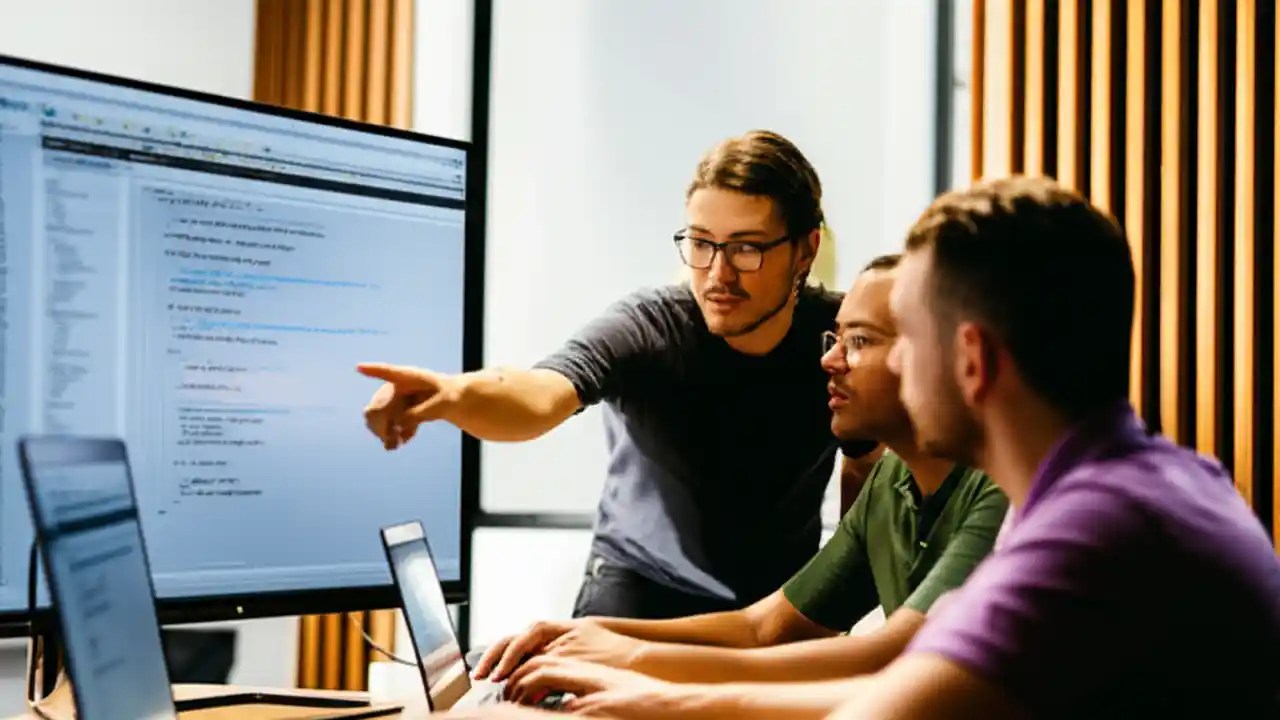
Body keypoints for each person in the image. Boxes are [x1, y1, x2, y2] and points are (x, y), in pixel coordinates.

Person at [359, 130, 874, 620]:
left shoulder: (840, 334)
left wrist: (838, 590)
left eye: (746, 248)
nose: (718, 275)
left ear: (805, 249)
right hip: (638, 591)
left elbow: (865, 456)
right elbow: (539, 394)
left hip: (775, 602)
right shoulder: (650, 326)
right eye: (700, 243)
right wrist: (452, 393)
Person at [465, 255, 1006, 718]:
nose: (829, 360)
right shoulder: (891, 479)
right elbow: (768, 626)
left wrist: (639, 669)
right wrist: (591, 634)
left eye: (859, 341)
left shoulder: (1000, 489)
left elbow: (892, 656)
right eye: (834, 338)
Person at [820, 175, 1280, 718]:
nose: (896, 363)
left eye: (910, 338)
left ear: (972, 358)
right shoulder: (1148, 482)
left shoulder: (1097, 530)